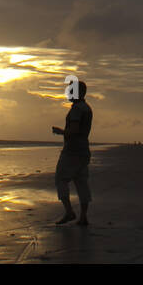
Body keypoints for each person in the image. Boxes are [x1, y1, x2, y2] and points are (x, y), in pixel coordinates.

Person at [52, 80, 92, 225]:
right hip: (83, 150)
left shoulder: (76, 109)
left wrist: (61, 132)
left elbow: (74, 130)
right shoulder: (87, 108)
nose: (67, 93)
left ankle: (69, 212)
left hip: (72, 151)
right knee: (81, 182)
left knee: (60, 179)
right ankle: (83, 217)